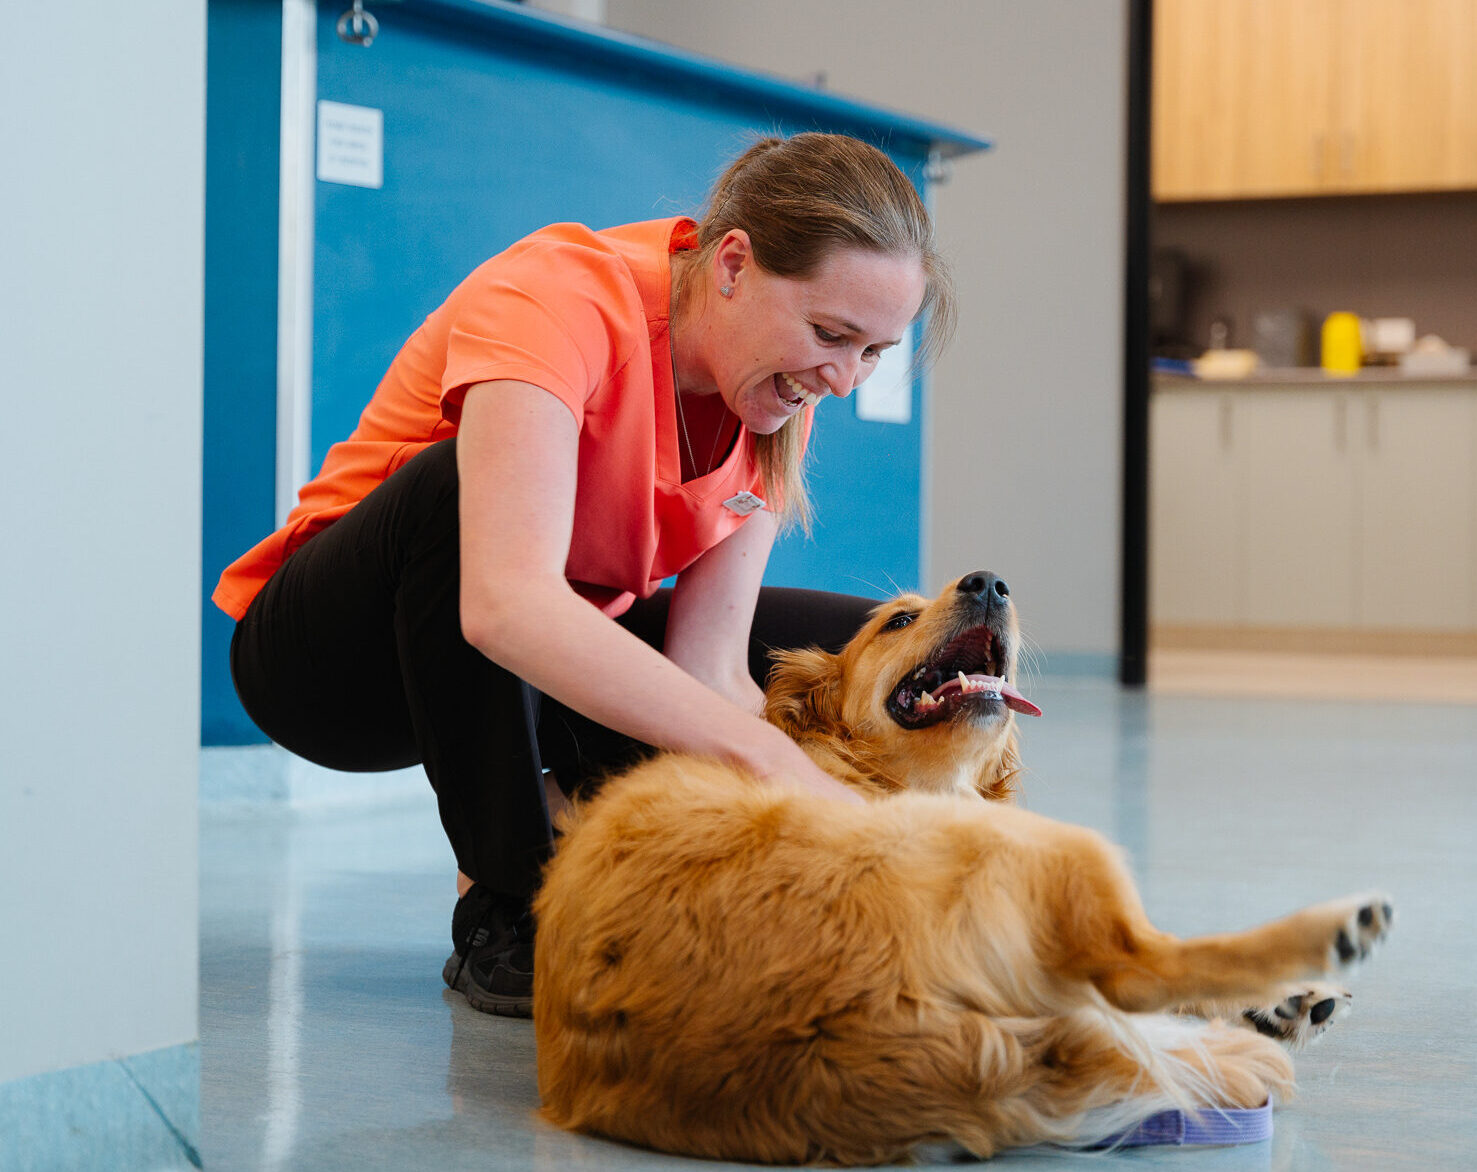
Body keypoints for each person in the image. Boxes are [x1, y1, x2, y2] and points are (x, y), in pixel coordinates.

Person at [213, 132, 955, 1018]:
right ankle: (506, 897)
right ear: (731, 266)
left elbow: (708, 669)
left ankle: (760, 876)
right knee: (455, 493)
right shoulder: (559, 295)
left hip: (524, 676)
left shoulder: (774, 390)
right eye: (831, 334)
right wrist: (768, 762)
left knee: (877, 640)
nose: (842, 380)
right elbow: (503, 604)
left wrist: (805, 836)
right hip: (336, 667)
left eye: (871, 352)